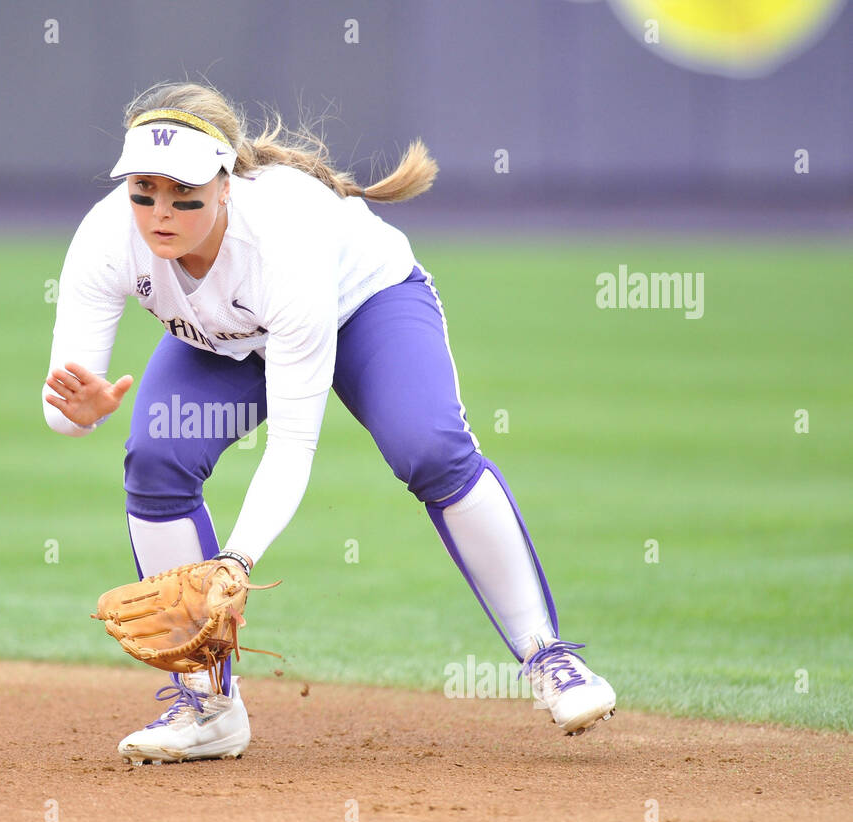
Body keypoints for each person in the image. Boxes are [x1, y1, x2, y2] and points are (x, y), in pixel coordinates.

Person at [42, 81, 616, 765]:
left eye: (184, 194)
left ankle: (550, 658)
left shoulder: (283, 242)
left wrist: (236, 560)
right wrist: (76, 414)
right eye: (144, 190)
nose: (159, 212)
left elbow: (290, 449)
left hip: (363, 304)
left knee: (428, 448)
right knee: (155, 456)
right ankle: (208, 704)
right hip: (226, 340)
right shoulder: (109, 237)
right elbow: (64, 404)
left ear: (226, 185)